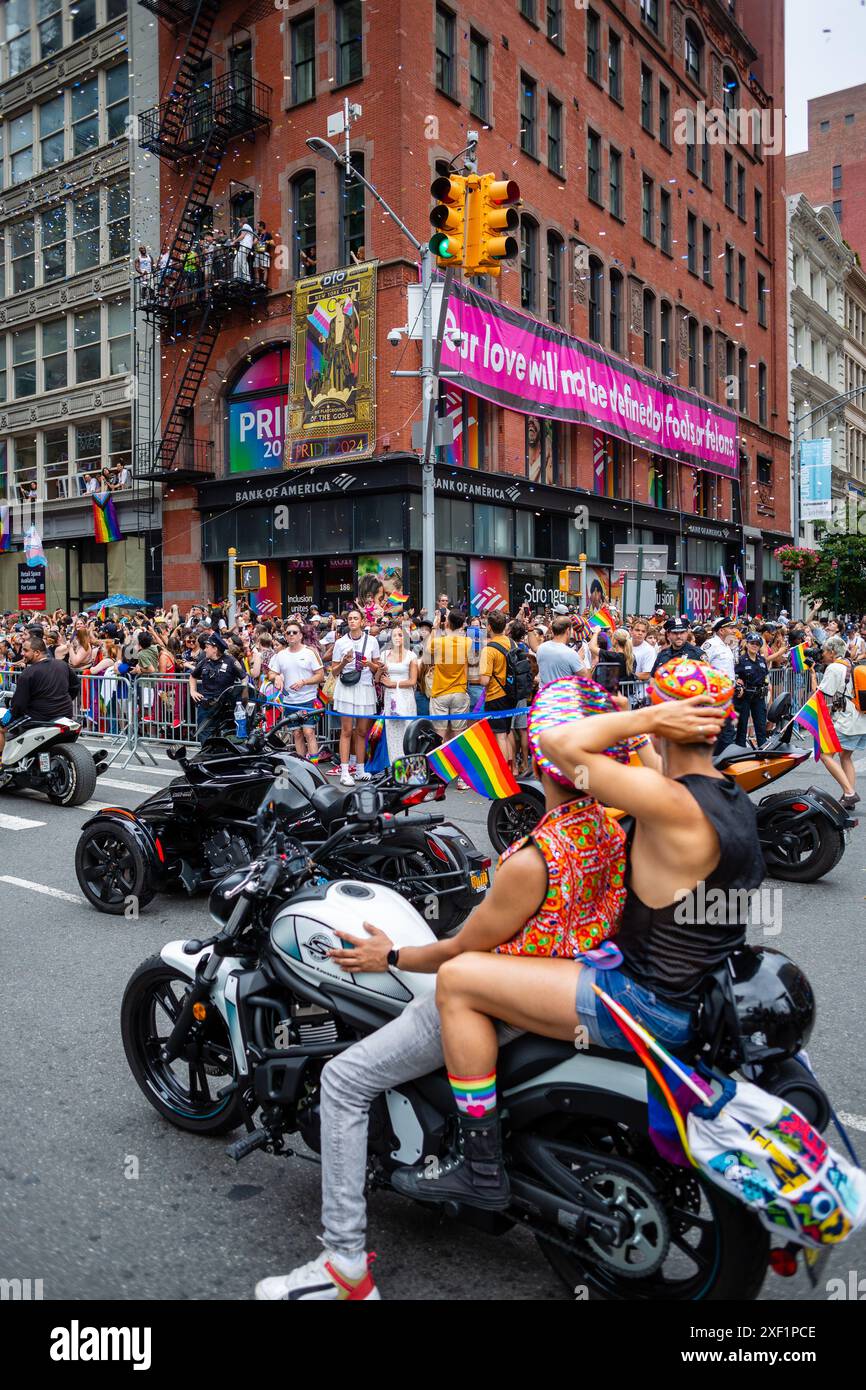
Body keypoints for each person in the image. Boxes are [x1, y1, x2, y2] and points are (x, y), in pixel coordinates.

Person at [254, 676, 639, 1301]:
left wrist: (391, 952)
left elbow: (462, 949)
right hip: (568, 983)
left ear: (540, 757)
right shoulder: (605, 827)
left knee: (345, 1081)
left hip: (499, 1000)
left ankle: (344, 1266)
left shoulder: (536, 858)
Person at [381, 661, 765, 1212]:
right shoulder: (724, 794)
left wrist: (644, 714)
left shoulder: (670, 803)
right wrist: (648, 727)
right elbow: (652, 762)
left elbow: (560, 744)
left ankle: (480, 1166)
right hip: (700, 992)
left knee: (461, 978)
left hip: (648, 1001)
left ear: (665, 724)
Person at [0, 635, 80, 763]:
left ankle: (2, 764)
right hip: (65, 714)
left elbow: (18, 705)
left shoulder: (28, 673)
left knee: (1, 727)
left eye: (25, 650)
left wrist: (8, 718)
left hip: (38, 717)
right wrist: (63, 701)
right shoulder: (62, 665)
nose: (22, 653)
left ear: (37, 652)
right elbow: (75, 686)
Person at [331, 609, 380, 787]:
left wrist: (369, 664)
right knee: (346, 730)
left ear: (362, 621)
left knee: (361, 731)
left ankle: (360, 769)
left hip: (365, 687)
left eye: (355, 618)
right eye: (350, 619)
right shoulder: (340, 643)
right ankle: (345, 771)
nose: (352, 621)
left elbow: (378, 670)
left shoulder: (372, 641)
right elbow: (334, 672)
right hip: (346, 687)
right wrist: (344, 661)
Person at [815, 635, 866, 808]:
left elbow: (823, 693)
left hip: (848, 721)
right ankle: (848, 796)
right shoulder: (851, 664)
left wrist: (813, 675)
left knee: (825, 754)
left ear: (831, 652)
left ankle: (849, 793)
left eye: (824, 651)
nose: (822, 654)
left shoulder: (835, 667)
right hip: (861, 718)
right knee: (846, 756)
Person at [271, 620, 324, 761]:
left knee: (308, 732)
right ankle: (303, 768)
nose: (291, 635)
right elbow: (271, 673)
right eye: (288, 633)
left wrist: (304, 681)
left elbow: (320, 675)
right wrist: (276, 677)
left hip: (308, 699)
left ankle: (314, 768)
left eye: (295, 632)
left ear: (301, 635)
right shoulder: (280, 655)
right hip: (289, 701)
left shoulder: (310, 652)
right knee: (297, 734)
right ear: (285, 636)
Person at [189, 632, 245, 742]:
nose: (205, 650)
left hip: (224, 706)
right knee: (204, 735)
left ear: (215, 648)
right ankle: (206, 757)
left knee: (224, 735)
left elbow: (244, 677)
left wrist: (242, 692)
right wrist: (193, 691)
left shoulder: (231, 661)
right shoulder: (204, 661)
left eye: (207, 647)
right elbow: (192, 676)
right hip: (206, 706)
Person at [427, 608, 471, 749]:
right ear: (462, 624)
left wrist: (435, 626)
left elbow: (427, 652)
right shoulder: (468, 642)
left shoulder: (439, 642)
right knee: (459, 734)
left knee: (439, 734)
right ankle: (457, 766)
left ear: (447, 624)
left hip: (440, 692)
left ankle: (440, 768)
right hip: (459, 691)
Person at [479, 610, 515, 766]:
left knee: (499, 736)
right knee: (506, 734)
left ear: (489, 627)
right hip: (511, 694)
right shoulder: (511, 643)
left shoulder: (489, 649)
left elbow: (484, 681)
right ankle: (509, 769)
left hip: (495, 696)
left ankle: (501, 771)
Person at [380, 623, 418, 762]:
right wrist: (379, 670)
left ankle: (409, 766)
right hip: (390, 697)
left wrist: (393, 684)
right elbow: (378, 678)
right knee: (392, 733)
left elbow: (413, 681)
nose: (397, 637)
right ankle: (394, 768)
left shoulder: (411, 656)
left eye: (400, 635)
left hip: (406, 696)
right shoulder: (384, 655)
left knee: (408, 731)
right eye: (394, 635)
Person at [734, 632, 769, 746]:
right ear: (747, 644)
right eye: (752, 643)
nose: (754, 646)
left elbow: (766, 676)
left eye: (757, 644)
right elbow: (736, 677)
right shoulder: (741, 660)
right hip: (745, 696)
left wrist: (767, 686)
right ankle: (740, 750)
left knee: (760, 725)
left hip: (759, 696)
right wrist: (738, 684)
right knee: (742, 725)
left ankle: (762, 748)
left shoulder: (762, 660)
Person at [533, 614, 588, 684]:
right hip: (562, 694)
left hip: (544, 693)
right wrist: (580, 658)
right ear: (568, 630)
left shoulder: (541, 648)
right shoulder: (571, 654)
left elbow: (533, 647)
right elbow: (585, 676)